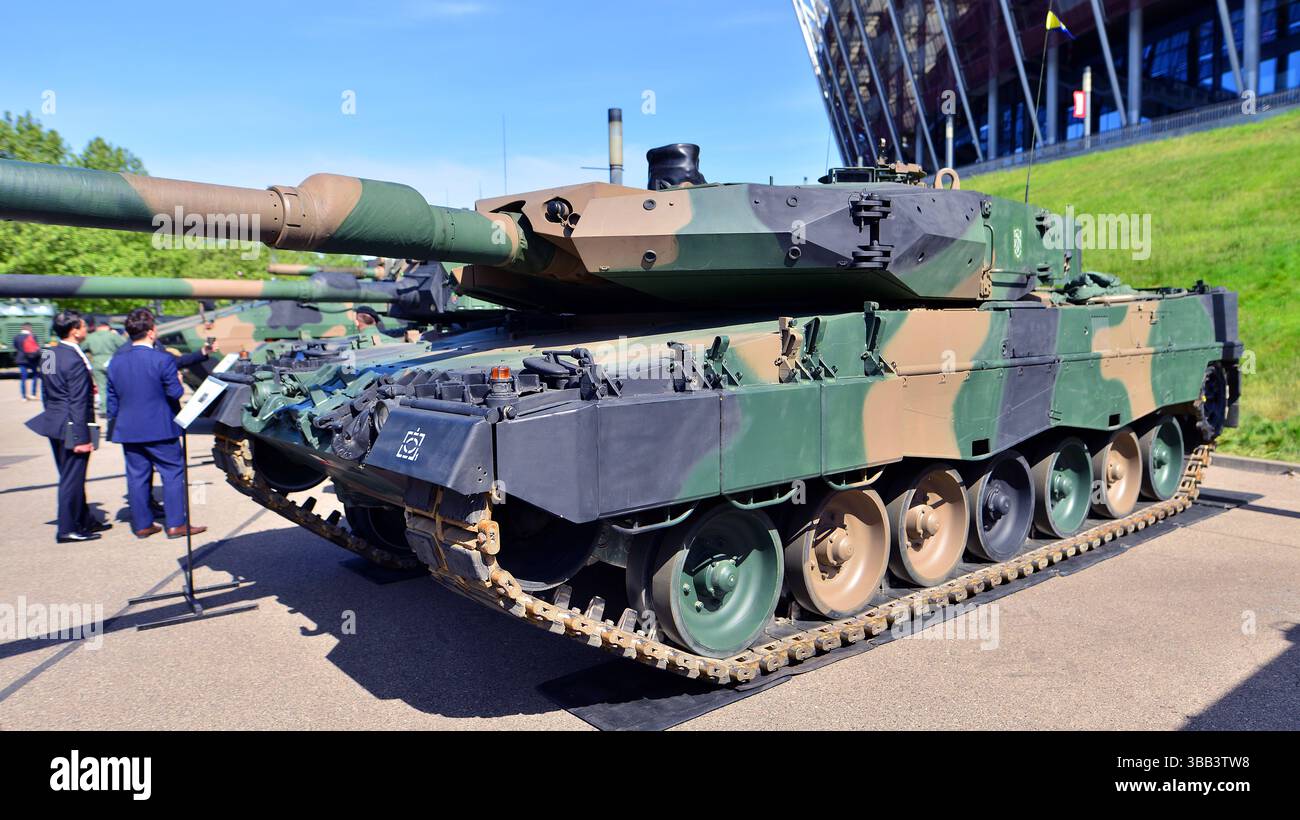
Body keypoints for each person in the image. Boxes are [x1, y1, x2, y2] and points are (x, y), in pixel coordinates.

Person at [106, 308, 206, 540]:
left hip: (128, 428)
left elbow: (111, 398)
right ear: (151, 332)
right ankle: (175, 524)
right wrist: (179, 382)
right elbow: (174, 393)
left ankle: (142, 524)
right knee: (171, 473)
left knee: (136, 476)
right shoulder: (162, 359)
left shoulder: (116, 361)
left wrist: (115, 421)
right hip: (160, 426)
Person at [24, 310, 111, 543]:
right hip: (72, 423)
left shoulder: (50, 354)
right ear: (75, 331)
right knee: (72, 479)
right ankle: (67, 528)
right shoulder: (74, 359)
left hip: (54, 420)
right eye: (83, 326)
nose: (86, 329)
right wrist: (81, 437)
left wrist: (52, 414)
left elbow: (48, 389)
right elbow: (78, 400)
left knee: (69, 475)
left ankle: (84, 518)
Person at [81, 316, 126, 415]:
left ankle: (104, 409)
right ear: (107, 326)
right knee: (114, 387)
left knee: (101, 387)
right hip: (112, 362)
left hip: (97, 362)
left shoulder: (91, 337)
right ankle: (114, 407)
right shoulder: (112, 336)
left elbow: (82, 348)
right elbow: (125, 346)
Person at [12, 322, 42, 401]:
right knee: (35, 375)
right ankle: (33, 394)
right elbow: (36, 347)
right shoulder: (33, 336)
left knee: (23, 377)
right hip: (32, 359)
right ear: (30, 328)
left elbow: (15, 347)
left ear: (22, 328)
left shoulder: (16, 337)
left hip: (21, 359)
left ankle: (24, 396)